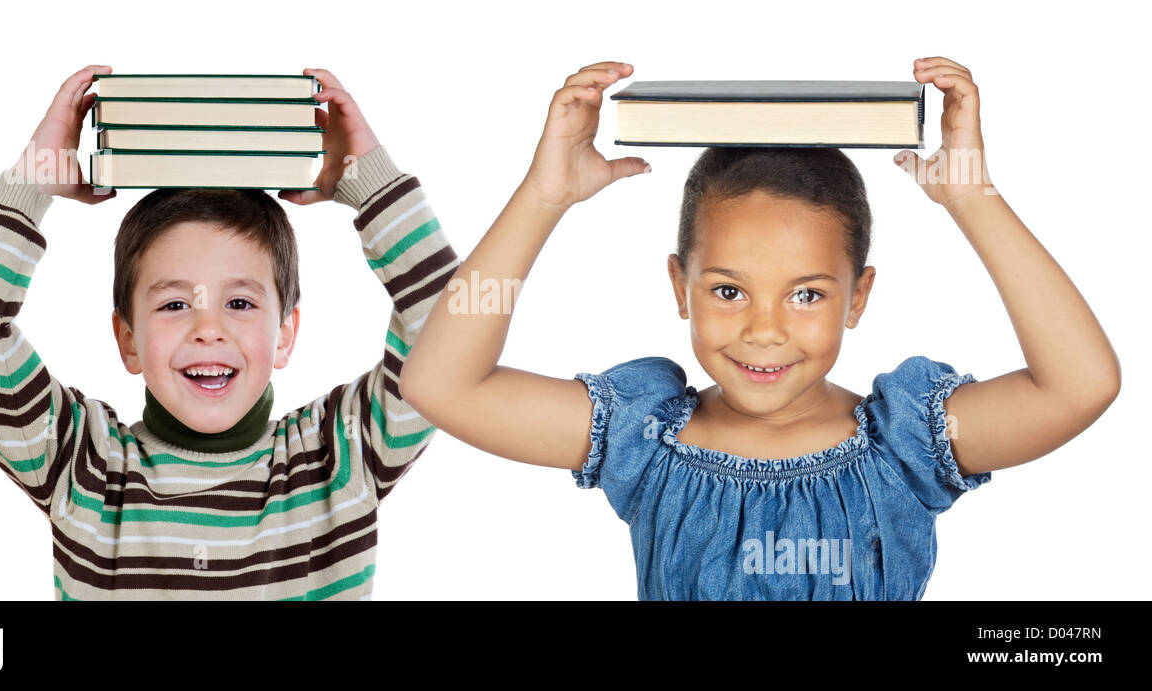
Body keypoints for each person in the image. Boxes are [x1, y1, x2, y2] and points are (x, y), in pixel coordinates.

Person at [399, 58, 1121, 599]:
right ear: (680, 287)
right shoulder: (647, 439)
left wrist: (973, 197)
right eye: (728, 290)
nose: (764, 329)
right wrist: (541, 197)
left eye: (806, 293)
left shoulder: (905, 446)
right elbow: (442, 383)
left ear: (858, 297)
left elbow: (1081, 383)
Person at [0, 65, 457, 600]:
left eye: (240, 302)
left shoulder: (340, 456)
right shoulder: (84, 467)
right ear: (128, 338)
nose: (209, 329)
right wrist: (35, 177)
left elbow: (453, 332)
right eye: (176, 303)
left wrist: (370, 182)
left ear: (284, 335)